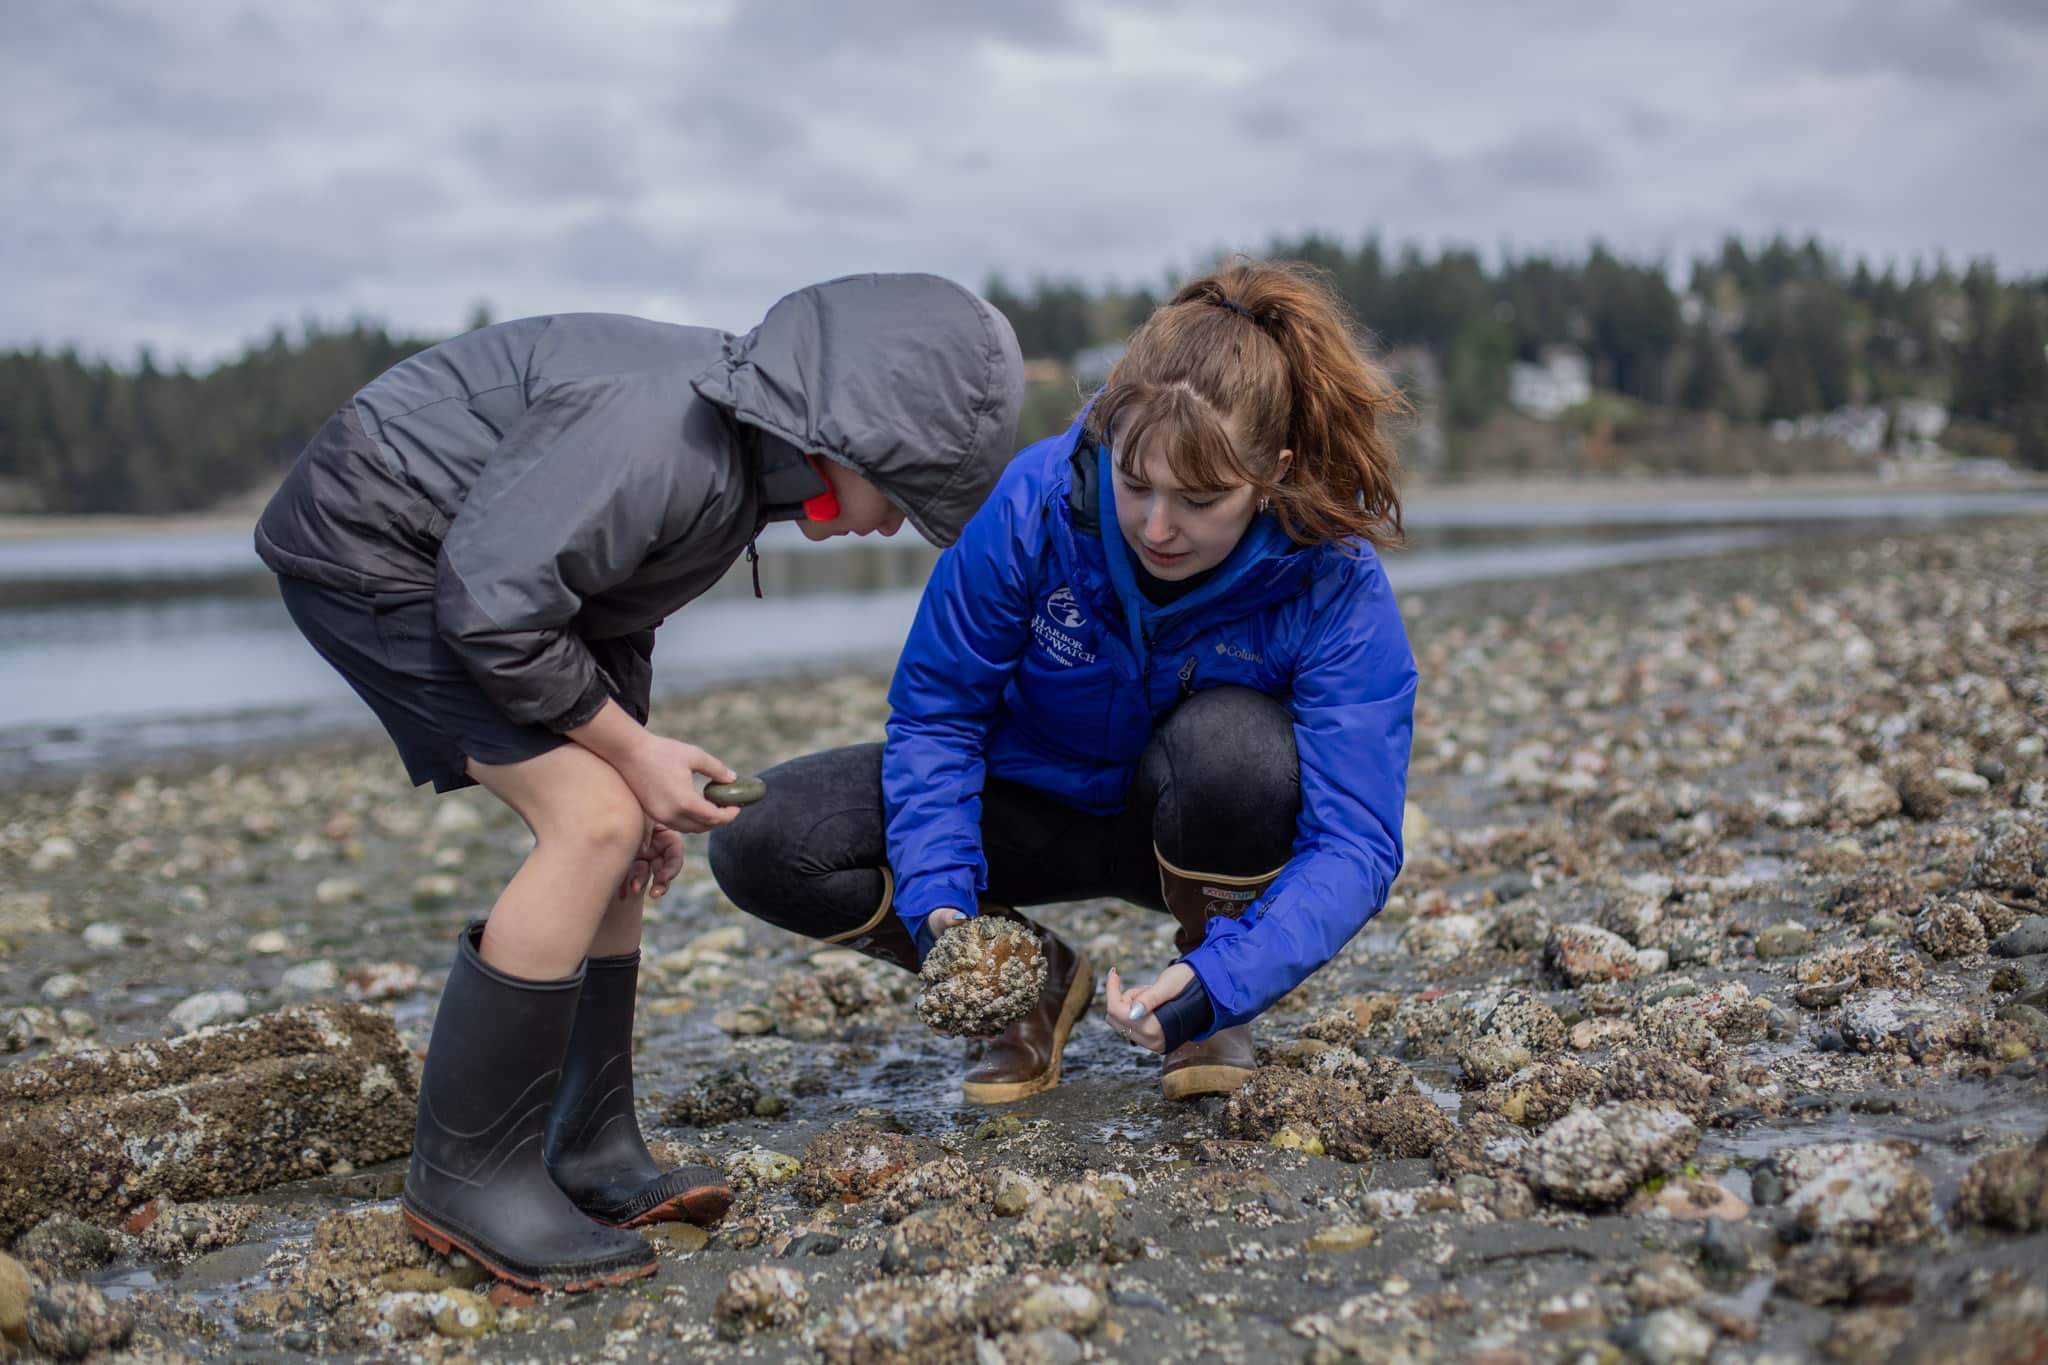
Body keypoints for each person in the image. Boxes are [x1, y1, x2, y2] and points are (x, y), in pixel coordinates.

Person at [254, 274, 1024, 1290]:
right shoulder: (665, 436)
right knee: (588, 823)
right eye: (907, 496)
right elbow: (492, 607)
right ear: (849, 433)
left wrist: (637, 760)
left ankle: (589, 1144)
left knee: (621, 829)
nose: (895, 529)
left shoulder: (740, 466)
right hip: (375, 544)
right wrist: (619, 764)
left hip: (475, 576)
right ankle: (469, 1176)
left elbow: (606, 611)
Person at [710, 258, 1415, 1106]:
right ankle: (1030, 985)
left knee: (1239, 748)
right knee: (760, 837)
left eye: (1199, 499)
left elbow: (1357, 842)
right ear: (1110, 438)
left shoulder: (1330, 576)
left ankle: (1211, 996)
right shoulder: (1036, 500)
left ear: (1271, 475)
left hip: (1193, 818)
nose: (1158, 526)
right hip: (1025, 803)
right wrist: (940, 900)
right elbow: (940, 713)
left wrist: (1217, 980)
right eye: (1136, 484)